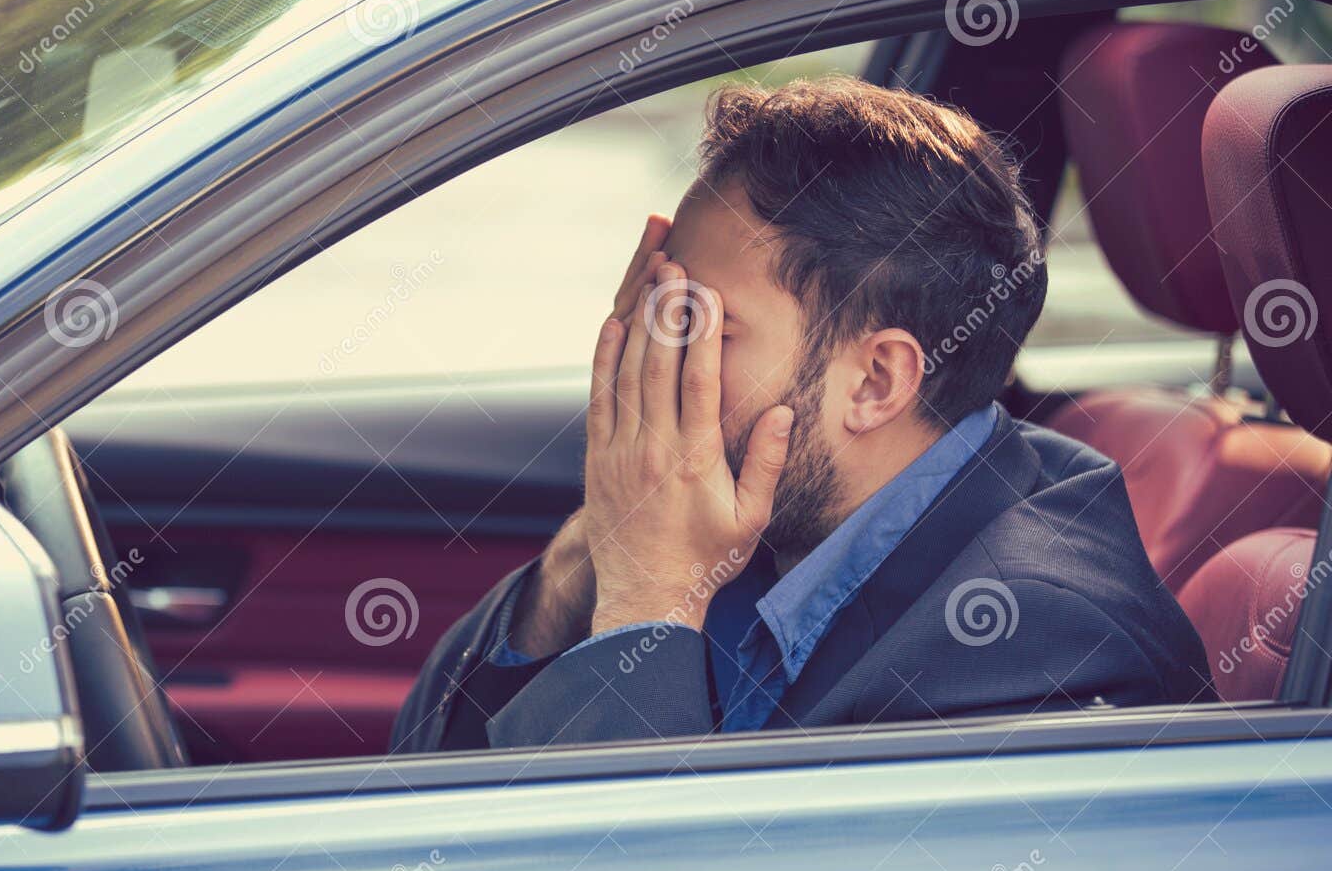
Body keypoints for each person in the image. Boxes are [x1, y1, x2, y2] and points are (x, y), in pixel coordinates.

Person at [391, 76, 1211, 754]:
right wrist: (600, 547)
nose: (655, 357)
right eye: (656, 308)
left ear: (875, 382)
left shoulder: (1033, 648)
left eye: (701, 325)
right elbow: (419, 774)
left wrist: (650, 604)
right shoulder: (764, 517)